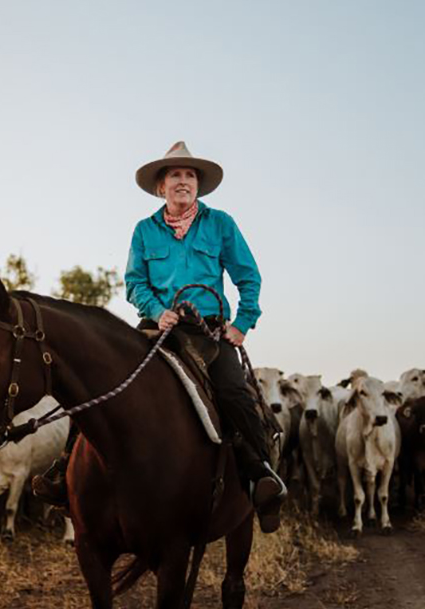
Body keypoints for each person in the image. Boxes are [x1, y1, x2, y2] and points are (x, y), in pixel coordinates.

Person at [34, 140, 286, 533]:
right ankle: (67, 472)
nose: (183, 181)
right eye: (175, 175)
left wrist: (242, 322)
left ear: (198, 185)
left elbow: (247, 275)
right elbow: (134, 283)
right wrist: (156, 310)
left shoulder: (220, 223)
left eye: (190, 175)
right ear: (160, 187)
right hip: (157, 328)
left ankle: (259, 475)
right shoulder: (144, 231)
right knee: (96, 382)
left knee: (232, 390)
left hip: (208, 331)